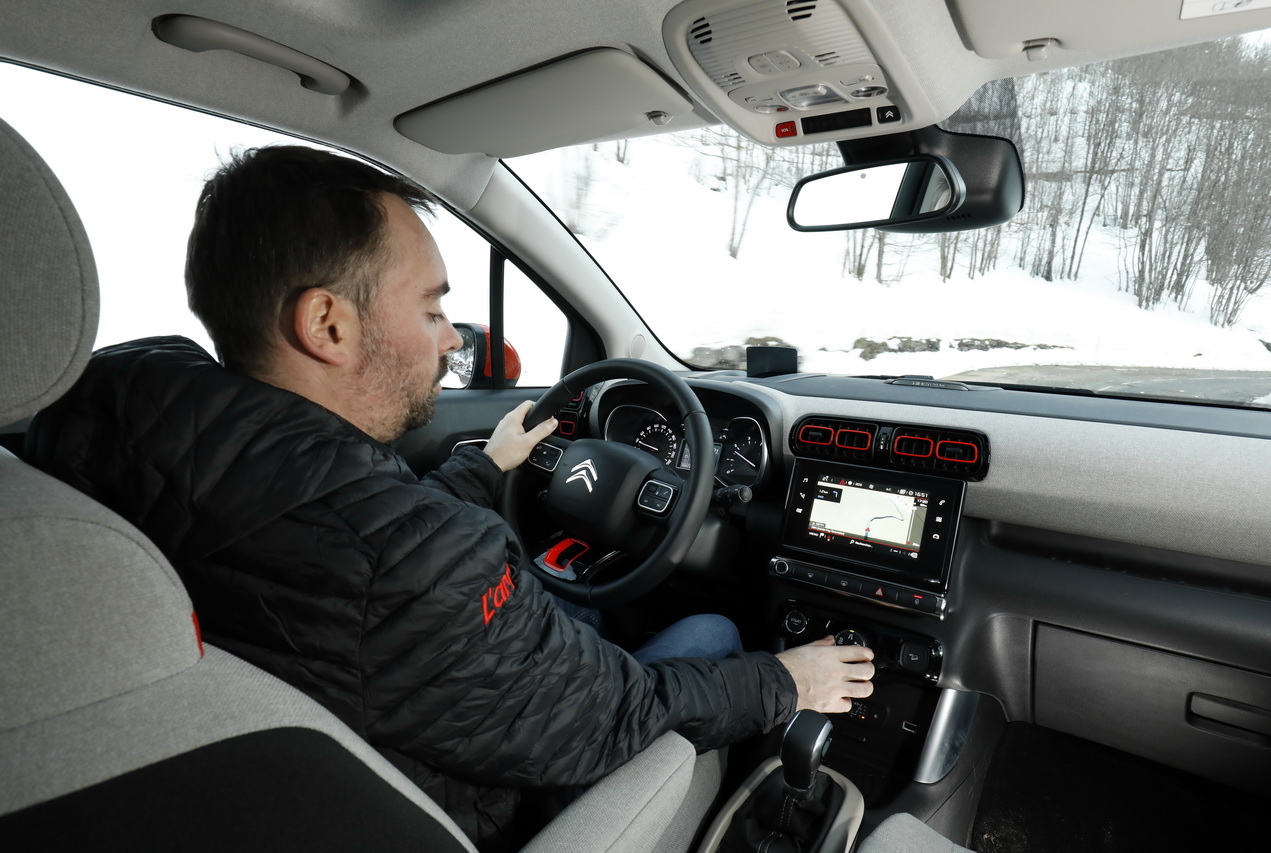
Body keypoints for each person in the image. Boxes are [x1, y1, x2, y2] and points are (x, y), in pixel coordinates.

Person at [28, 145, 875, 851]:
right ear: (328, 324)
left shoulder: (121, 419)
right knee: (717, 634)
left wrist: (488, 465)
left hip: (352, 752)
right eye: (433, 309)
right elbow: (619, 711)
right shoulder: (415, 563)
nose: (449, 340)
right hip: (483, 809)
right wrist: (785, 680)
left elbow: (361, 532)